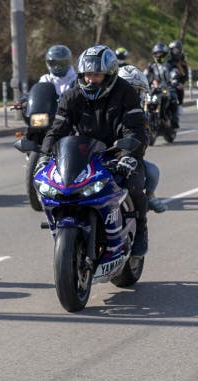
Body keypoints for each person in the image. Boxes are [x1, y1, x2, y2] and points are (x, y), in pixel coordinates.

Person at [40, 45, 149, 256]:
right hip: (84, 153)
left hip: (119, 151)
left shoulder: (125, 93)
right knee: (63, 188)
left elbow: (135, 130)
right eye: (87, 74)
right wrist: (44, 156)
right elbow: (57, 129)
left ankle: (142, 229)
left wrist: (129, 156)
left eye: (96, 74)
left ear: (109, 75)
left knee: (135, 184)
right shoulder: (72, 95)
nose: (91, 79)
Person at [118, 65, 167, 213]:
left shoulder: (140, 114)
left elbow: (144, 137)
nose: (131, 94)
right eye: (127, 90)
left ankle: (150, 197)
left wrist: (129, 151)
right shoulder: (107, 108)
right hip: (103, 154)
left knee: (153, 172)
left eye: (135, 90)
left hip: (131, 156)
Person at [145, 42, 179, 129]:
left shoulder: (170, 64)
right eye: (156, 53)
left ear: (164, 54)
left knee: (173, 98)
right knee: (144, 99)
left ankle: (174, 120)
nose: (158, 55)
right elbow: (145, 74)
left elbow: (174, 72)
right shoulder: (151, 65)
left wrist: (174, 79)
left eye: (160, 53)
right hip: (154, 89)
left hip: (167, 87)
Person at [167, 40, 189, 120]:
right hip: (166, 82)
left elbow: (185, 75)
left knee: (180, 89)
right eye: (173, 50)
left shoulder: (182, 62)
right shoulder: (167, 60)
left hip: (177, 82)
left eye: (177, 50)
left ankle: (179, 105)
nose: (175, 52)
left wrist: (181, 83)